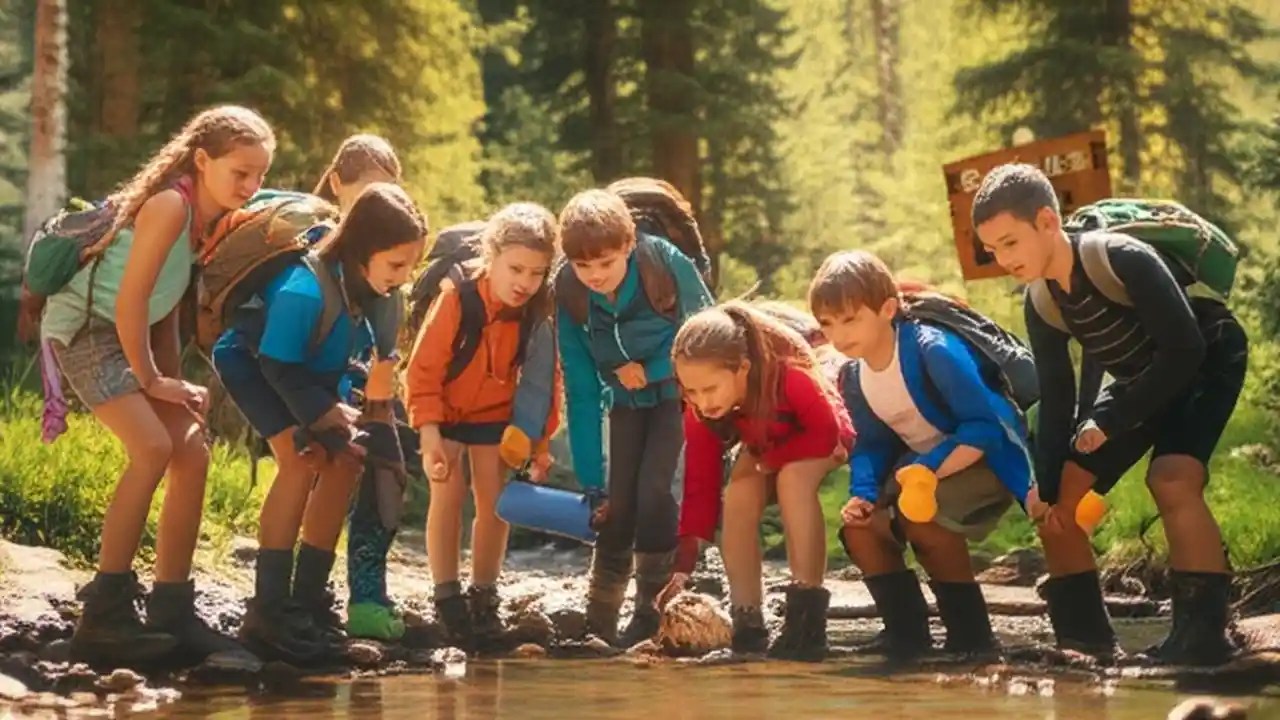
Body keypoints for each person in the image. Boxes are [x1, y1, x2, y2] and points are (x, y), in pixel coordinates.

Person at [972, 163, 1248, 665]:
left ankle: (1204, 637)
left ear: (1047, 223)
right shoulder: (1041, 301)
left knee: (1171, 479)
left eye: (1010, 243)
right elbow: (1057, 399)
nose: (1002, 259)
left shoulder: (1122, 258)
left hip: (1207, 359)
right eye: (992, 250)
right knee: (1062, 504)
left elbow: (1184, 350)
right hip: (1140, 381)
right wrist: (1045, 486)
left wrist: (1112, 421)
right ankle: (1086, 643)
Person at [39, 105, 274, 668]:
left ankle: (172, 608)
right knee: (151, 448)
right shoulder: (171, 204)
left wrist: (170, 380)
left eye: (260, 175)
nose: (251, 185)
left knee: (191, 449)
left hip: (131, 334)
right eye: (240, 172)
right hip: (87, 333)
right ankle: (104, 614)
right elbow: (131, 299)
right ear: (201, 160)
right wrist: (150, 380)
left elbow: (166, 308)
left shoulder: (207, 218)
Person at [212, 183, 427, 663]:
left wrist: (351, 409)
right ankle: (267, 610)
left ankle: (307, 600)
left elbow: (355, 356)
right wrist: (320, 413)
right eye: (396, 264)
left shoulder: (369, 287)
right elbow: (275, 364)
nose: (404, 277)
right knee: (301, 457)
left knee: (345, 461)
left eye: (411, 265)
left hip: (307, 373)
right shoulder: (304, 290)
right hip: (257, 366)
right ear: (360, 251)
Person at [810, 250, 1034, 659]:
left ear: (887, 309)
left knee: (921, 517)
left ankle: (973, 637)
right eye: (827, 323)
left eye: (850, 319)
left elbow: (985, 425)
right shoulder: (854, 375)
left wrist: (926, 470)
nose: (838, 335)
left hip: (986, 456)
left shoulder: (934, 350)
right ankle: (906, 635)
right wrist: (863, 492)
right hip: (920, 468)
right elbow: (872, 443)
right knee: (861, 527)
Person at [556, 188, 714, 647]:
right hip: (625, 402)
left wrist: (653, 370)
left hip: (678, 394)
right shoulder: (569, 291)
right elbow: (582, 392)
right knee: (617, 504)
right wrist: (590, 481)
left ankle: (650, 612)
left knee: (655, 491)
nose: (595, 276)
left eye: (605, 263)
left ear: (628, 245)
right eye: (584, 266)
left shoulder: (661, 263)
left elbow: (711, 334)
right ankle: (600, 618)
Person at [405, 202, 562, 652]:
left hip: (497, 417)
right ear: (490, 256)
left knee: (496, 506)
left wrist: (541, 441)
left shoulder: (538, 311)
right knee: (447, 498)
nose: (524, 283)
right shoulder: (458, 297)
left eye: (536, 273)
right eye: (515, 269)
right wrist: (430, 431)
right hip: (448, 413)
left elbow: (543, 383)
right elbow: (423, 371)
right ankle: (447, 596)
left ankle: (484, 594)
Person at [662, 302, 852, 660]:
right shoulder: (700, 410)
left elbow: (826, 434)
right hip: (768, 444)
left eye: (710, 389)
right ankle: (747, 619)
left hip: (824, 437)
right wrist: (683, 567)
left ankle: (806, 618)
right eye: (691, 392)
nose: (703, 402)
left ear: (743, 369)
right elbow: (700, 485)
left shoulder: (790, 376)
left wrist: (770, 464)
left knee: (793, 480)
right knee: (737, 492)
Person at [309, 134, 412, 642]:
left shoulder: (392, 254)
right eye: (367, 192)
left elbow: (389, 335)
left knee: (383, 482)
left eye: (389, 192)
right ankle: (303, 592)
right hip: (310, 388)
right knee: (316, 482)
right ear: (335, 186)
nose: (377, 205)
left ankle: (367, 598)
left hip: (372, 391)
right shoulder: (314, 244)